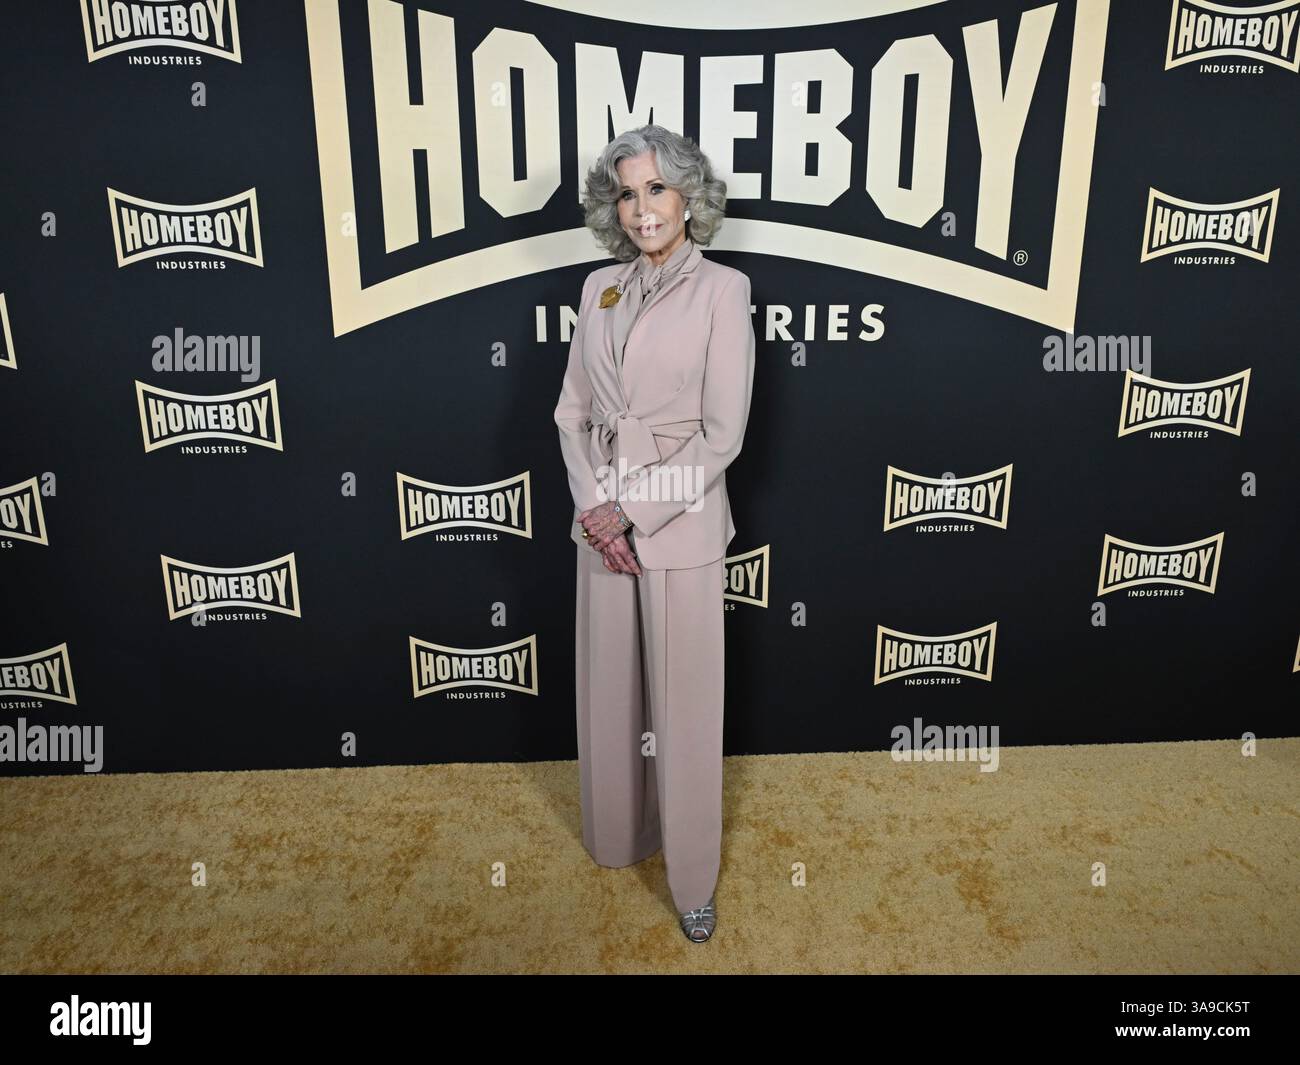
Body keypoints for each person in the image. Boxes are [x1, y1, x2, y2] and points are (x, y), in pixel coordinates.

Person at [553, 124, 756, 943]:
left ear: (689, 198)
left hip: (676, 525)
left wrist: (633, 512)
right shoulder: (598, 287)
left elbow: (723, 433)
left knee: (684, 709)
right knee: (608, 699)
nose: (642, 210)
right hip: (600, 523)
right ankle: (616, 839)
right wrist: (596, 508)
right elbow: (571, 410)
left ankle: (693, 877)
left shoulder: (725, 289)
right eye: (628, 192)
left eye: (658, 190)